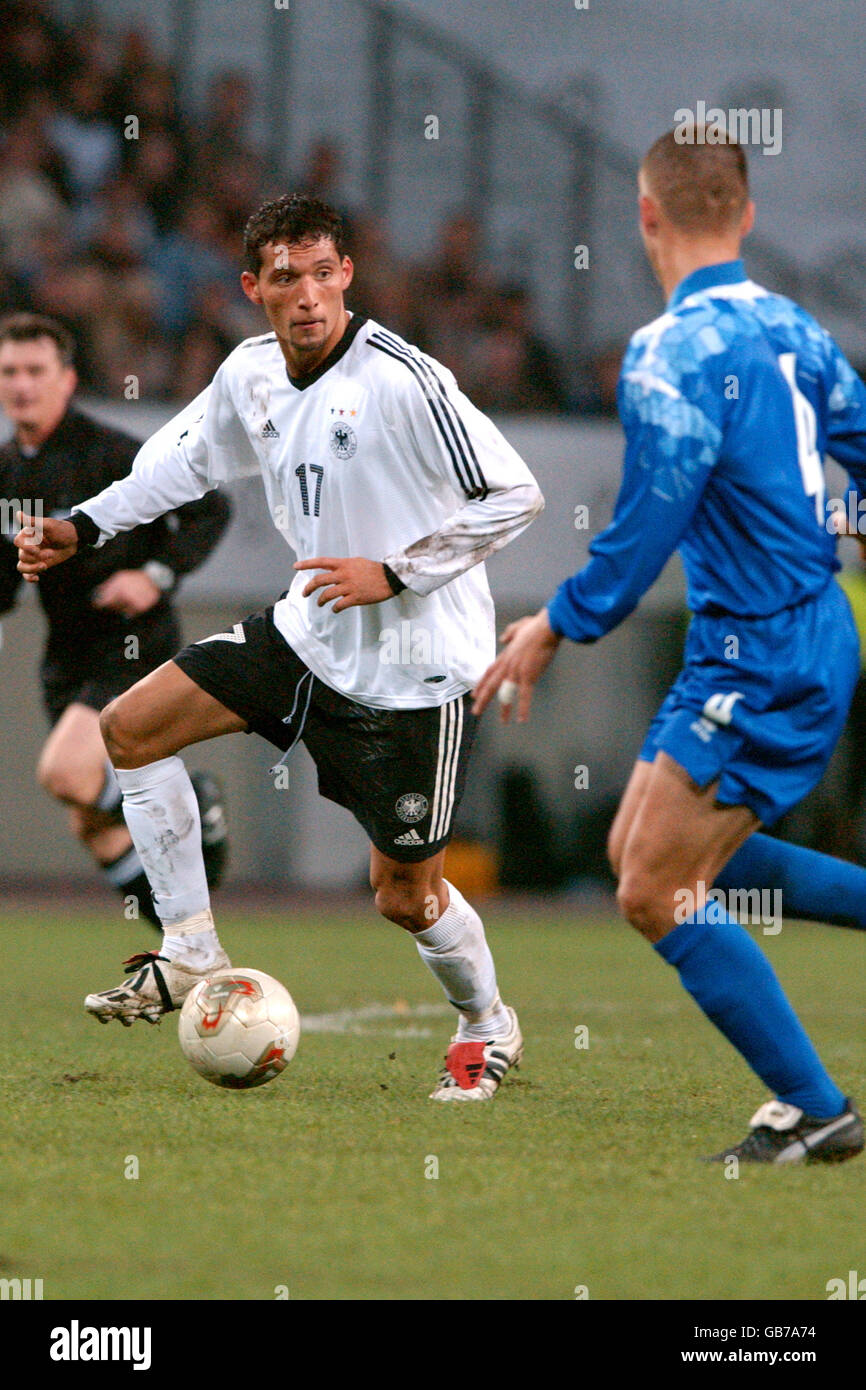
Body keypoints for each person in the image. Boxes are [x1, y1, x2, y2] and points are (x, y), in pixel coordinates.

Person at [16, 195, 544, 1102]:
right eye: (286, 277)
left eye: (324, 272)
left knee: (405, 897)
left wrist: (398, 571)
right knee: (131, 728)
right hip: (306, 634)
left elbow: (516, 493)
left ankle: (487, 1025)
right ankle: (188, 950)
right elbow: (177, 465)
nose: (307, 295)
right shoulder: (250, 372)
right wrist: (85, 525)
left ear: (348, 276)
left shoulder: (404, 381)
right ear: (252, 286)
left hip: (411, 670)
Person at [473, 129, 866, 1162]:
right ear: (742, 215)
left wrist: (556, 623)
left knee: (653, 887)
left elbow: (651, 514)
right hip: (780, 632)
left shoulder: (665, 352)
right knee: (637, 855)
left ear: (645, 216)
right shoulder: (799, 330)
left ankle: (814, 1110)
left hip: (761, 647)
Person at [0, 312, 232, 926]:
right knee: (93, 824)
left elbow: (211, 507)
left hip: (130, 644)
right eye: (9, 372)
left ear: (67, 380)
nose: (22, 384)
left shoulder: (109, 452)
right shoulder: (5, 471)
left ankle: (189, 802)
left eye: (35, 371)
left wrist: (153, 575)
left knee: (66, 773)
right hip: (66, 655)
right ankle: (188, 948)